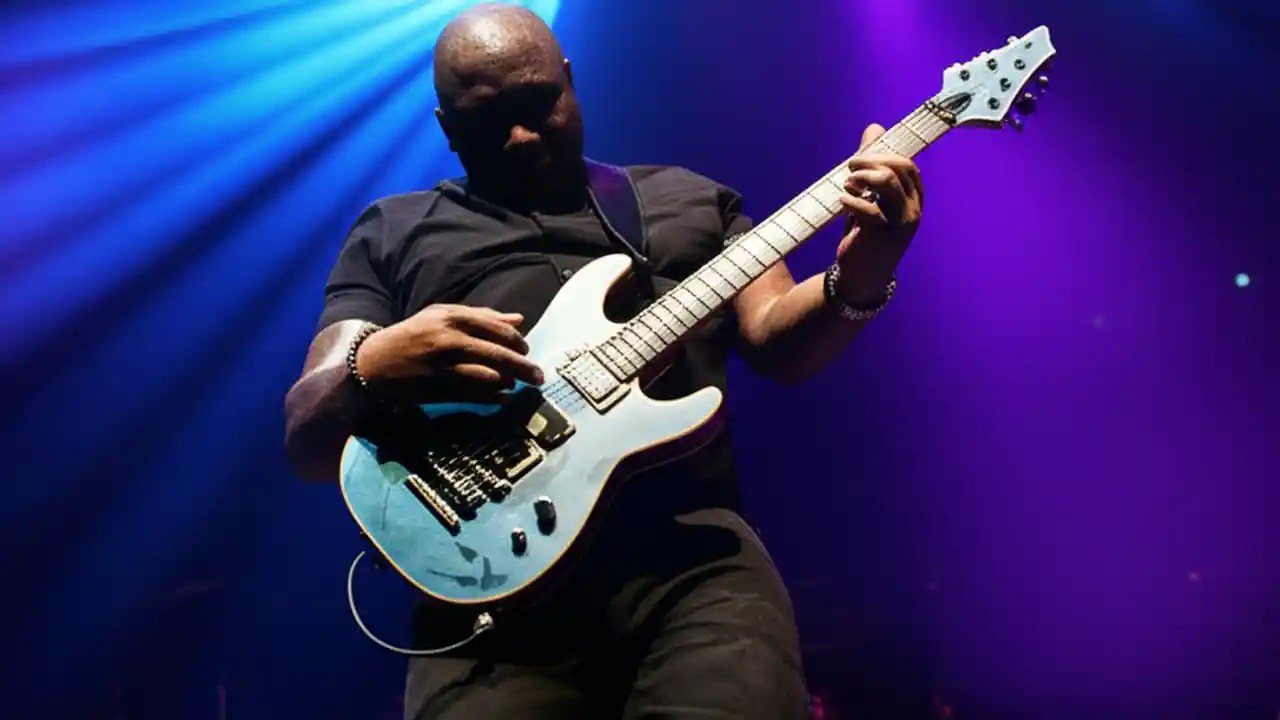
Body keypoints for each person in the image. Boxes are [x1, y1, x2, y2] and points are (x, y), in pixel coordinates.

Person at [283, 3, 923, 718]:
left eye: (538, 103)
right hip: (486, 584)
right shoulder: (394, 231)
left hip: (691, 563)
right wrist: (374, 360)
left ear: (571, 81)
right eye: (487, 119)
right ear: (445, 127)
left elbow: (778, 340)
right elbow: (307, 434)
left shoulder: (684, 200)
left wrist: (864, 272)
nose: (522, 136)